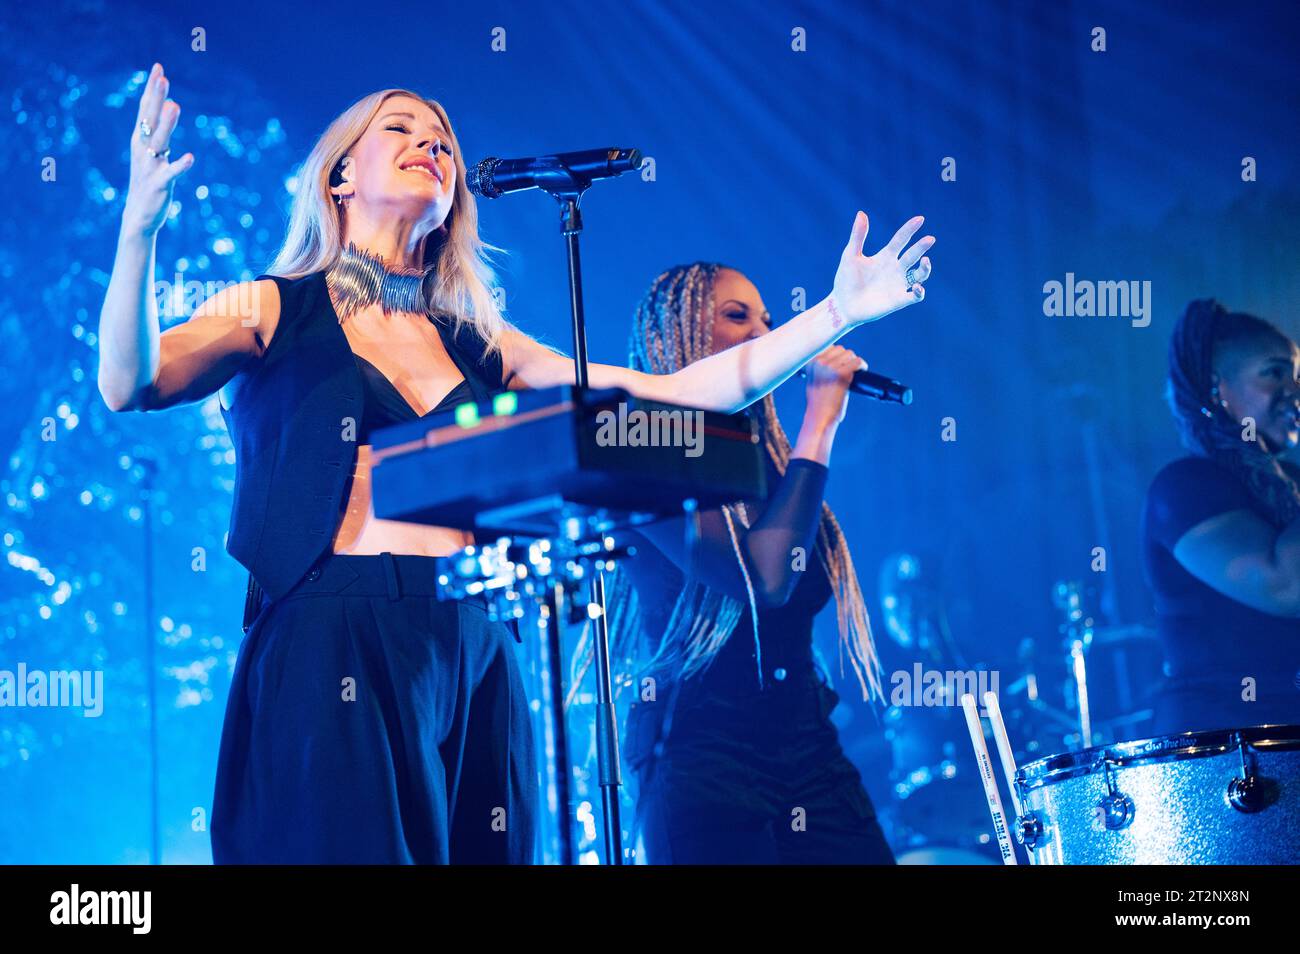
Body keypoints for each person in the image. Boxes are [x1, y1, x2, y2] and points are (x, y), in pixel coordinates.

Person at [96, 62, 935, 863]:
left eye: (446, 141)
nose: (434, 144)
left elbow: (672, 397)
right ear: (340, 176)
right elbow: (128, 382)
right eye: (402, 128)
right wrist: (140, 228)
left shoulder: (478, 342)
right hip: (336, 636)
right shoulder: (274, 304)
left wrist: (836, 313)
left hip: (475, 641)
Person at [601, 262, 897, 864]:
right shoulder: (639, 447)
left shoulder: (769, 464)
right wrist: (821, 422)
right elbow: (764, 577)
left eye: (767, 320)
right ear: (672, 338)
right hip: (701, 755)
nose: (764, 335)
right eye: (736, 317)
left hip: (806, 746)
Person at [1142, 298, 1300, 734]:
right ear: (1217, 389)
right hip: (1227, 757)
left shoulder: (1295, 480)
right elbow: (1284, 585)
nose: (1295, 389)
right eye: (1274, 372)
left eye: (1297, 374)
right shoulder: (1185, 487)